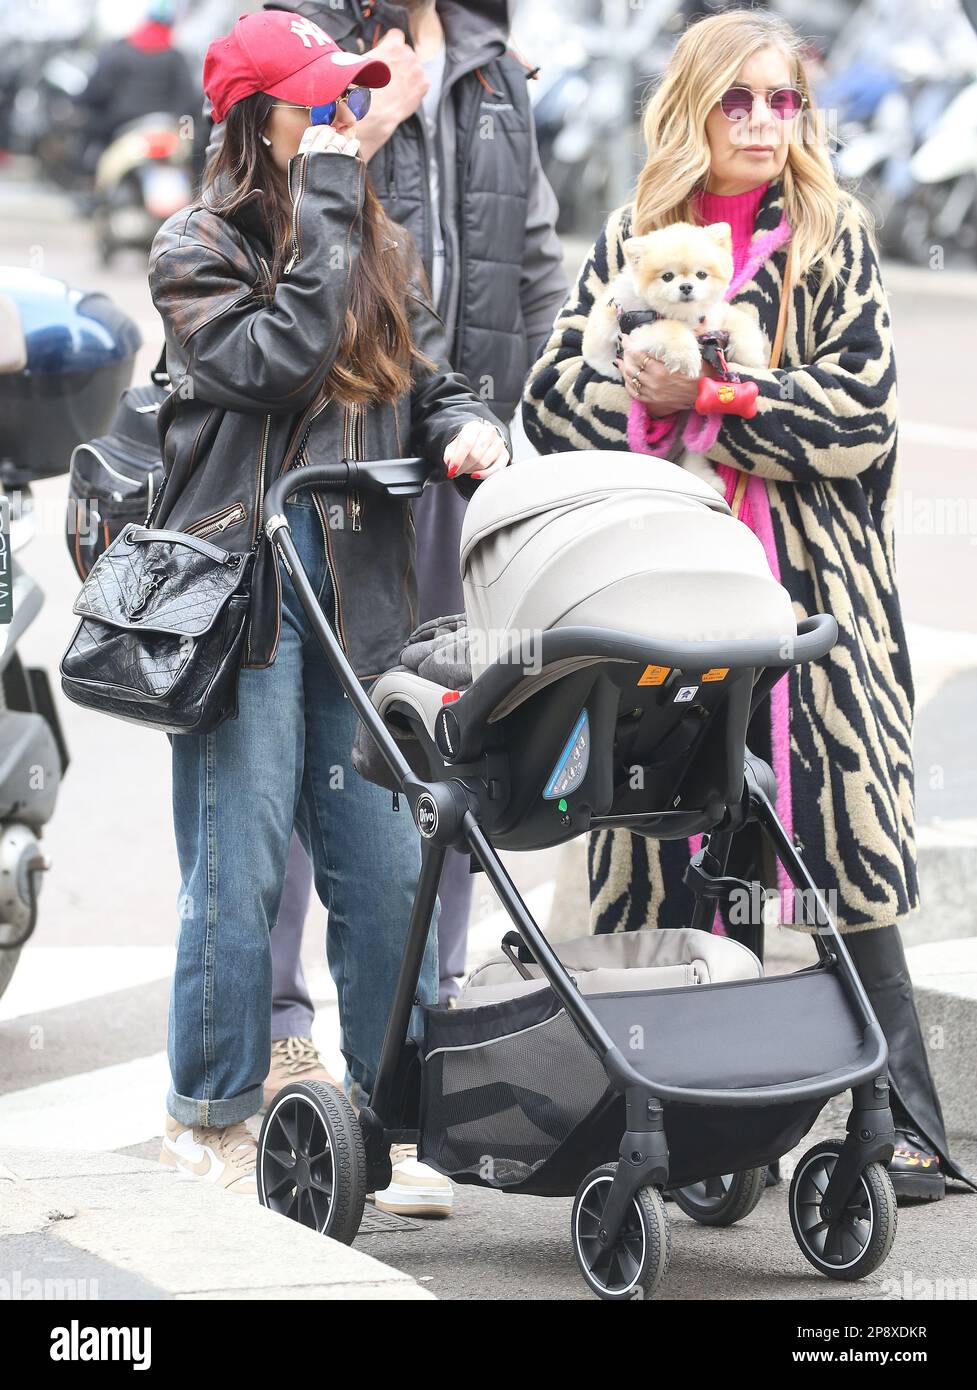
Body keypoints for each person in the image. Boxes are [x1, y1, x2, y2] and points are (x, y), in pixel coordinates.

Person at [523, 9, 974, 1205]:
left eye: (786, 102)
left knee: (839, 859)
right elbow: (552, 398)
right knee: (666, 850)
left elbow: (858, 416)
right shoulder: (630, 237)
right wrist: (632, 377)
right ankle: (672, 1135)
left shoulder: (830, 235)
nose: (769, 123)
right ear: (691, 109)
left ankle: (907, 1130)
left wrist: (716, 392)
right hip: (662, 593)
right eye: (742, 102)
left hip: (810, 603)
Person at [201, 0, 567, 1218]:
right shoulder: (195, 250)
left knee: (383, 852)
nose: (350, 120)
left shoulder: (364, 243)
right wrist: (328, 198)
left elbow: (428, 375)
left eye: (354, 99)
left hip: (357, 575)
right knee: (243, 858)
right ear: (262, 125)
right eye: (325, 103)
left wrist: (465, 423)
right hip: (251, 583)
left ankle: (396, 1118)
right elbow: (283, 358)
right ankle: (208, 1112)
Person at [78, 2, 199, 170]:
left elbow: (97, 91)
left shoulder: (119, 52)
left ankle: (89, 180)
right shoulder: (175, 57)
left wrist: (81, 103)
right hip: (166, 126)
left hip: (121, 124)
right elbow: (188, 99)